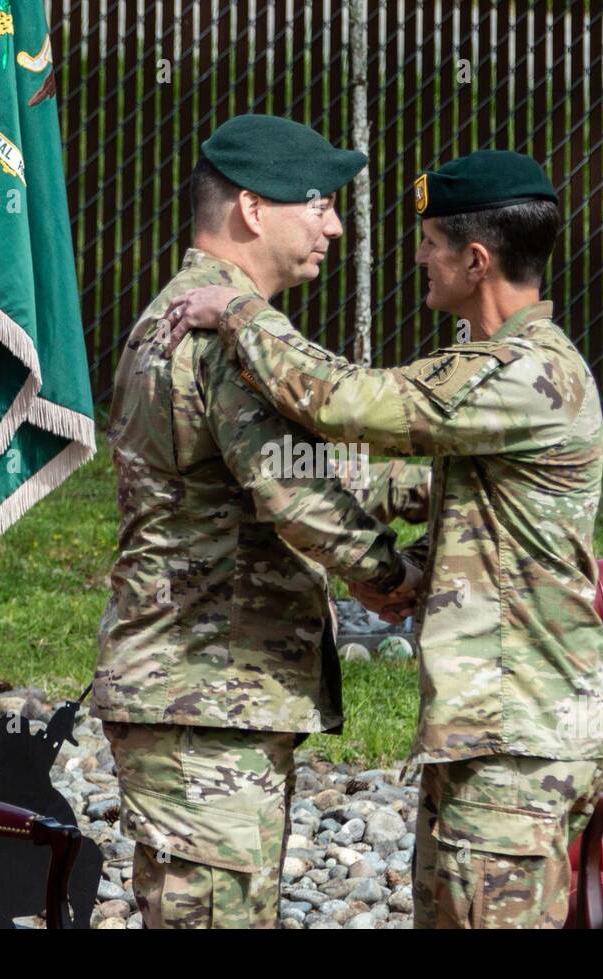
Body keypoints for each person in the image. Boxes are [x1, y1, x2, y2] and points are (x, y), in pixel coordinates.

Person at [167, 149, 603, 929]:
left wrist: (241, 315)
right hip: (488, 739)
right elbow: (412, 486)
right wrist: (291, 484)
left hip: (519, 744)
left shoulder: (528, 375)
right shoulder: (496, 373)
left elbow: (351, 401)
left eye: (430, 244)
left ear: (477, 262)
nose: (417, 257)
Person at [92, 114, 422, 929]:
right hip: (206, 693)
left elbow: (263, 485)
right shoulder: (229, 331)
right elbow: (291, 493)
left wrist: (433, 490)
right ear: (251, 210)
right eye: (319, 203)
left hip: (194, 692)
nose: (335, 225)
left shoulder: (180, 313)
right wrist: (395, 580)